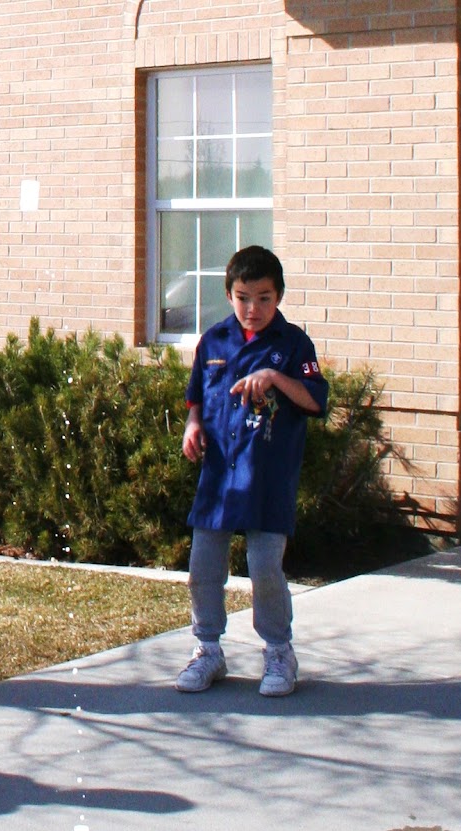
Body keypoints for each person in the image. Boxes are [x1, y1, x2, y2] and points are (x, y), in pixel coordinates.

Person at [176, 245, 329, 697]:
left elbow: (316, 399)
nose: (253, 308)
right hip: (219, 479)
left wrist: (275, 378)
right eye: (243, 297)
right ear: (229, 295)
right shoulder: (214, 341)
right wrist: (193, 425)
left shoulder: (294, 345)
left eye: (264, 297)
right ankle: (208, 650)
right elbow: (197, 399)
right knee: (203, 568)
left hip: (267, 478)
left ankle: (279, 652)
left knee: (265, 569)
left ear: (278, 296)